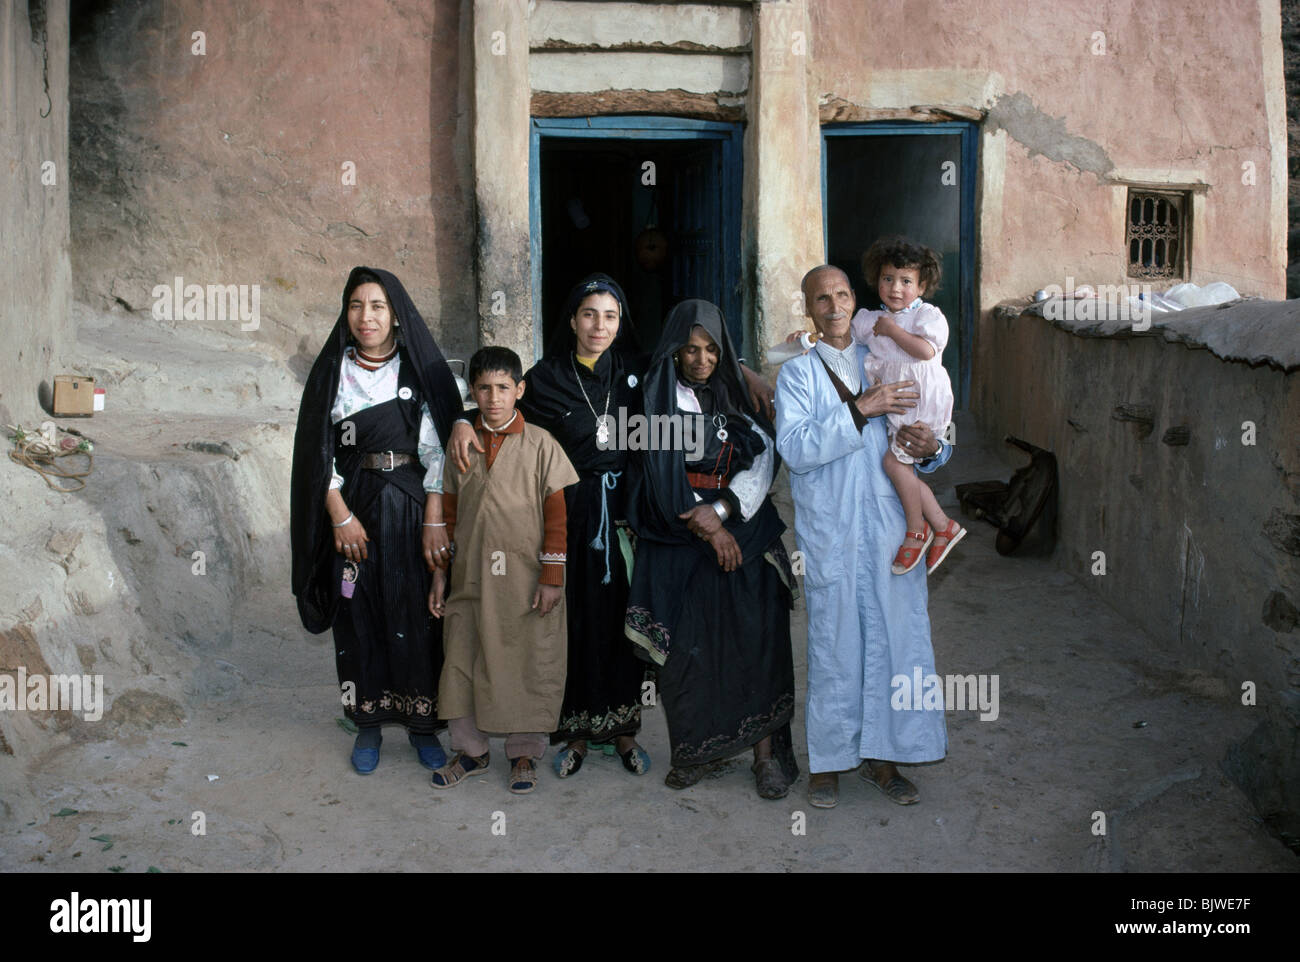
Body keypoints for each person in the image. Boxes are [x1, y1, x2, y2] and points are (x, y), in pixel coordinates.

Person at [775, 264, 952, 809]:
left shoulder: (884, 353)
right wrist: (860, 408)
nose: (833, 307)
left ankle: (884, 757)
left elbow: (937, 431)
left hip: (894, 526)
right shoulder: (798, 375)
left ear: (857, 300)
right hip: (831, 525)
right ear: (809, 309)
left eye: (842, 295)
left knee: (899, 636)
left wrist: (932, 446)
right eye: (821, 299)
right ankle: (829, 763)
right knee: (833, 641)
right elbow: (796, 449)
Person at [290, 266, 476, 775]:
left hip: (413, 507)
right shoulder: (332, 374)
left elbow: (438, 448)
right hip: (354, 511)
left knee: (418, 611)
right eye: (356, 306)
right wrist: (339, 515)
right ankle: (367, 723)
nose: (366, 317)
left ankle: (422, 726)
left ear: (396, 315)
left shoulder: (422, 374)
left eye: (377, 306)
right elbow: (315, 454)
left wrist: (435, 517)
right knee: (358, 612)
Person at [625, 299, 799, 800]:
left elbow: (763, 455)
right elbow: (660, 472)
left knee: (756, 638)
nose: (701, 359)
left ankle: (765, 757)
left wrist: (722, 512)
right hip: (675, 527)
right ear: (674, 352)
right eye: (690, 349)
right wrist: (705, 525)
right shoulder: (655, 398)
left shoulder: (737, 393)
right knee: (687, 648)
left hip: (741, 523)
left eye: (711, 350)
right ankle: (697, 751)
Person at [428, 346, 579, 795]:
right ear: (472, 392)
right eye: (484, 389)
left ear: (520, 390)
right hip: (470, 576)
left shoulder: (541, 444)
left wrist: (552, 577)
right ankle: (470, 751)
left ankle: (525, 753)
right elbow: (449, 516)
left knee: (527, 660)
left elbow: (557, 518)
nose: (493, 398)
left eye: (502, 388)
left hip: (524, 580)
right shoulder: (461, 444)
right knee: (462, 657)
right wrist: (440, 574)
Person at [517, 274, 652, 778]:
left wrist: (748, 376)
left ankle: (623, 730)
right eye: (589, 314)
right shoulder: (546, 379)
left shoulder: (636, 374)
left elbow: (698, 374)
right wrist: (465, 421)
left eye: (611, 316)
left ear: (621, 323)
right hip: (569, 516)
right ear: (572, 320)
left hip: (625, 516)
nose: (600, 326)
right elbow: (502, 415)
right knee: (573, 621)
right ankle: (574, 731)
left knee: (622, 618)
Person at [851, 237, 964, 575]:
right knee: (899, 465)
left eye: (906, 281)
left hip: (922, 398)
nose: (895, 288)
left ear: (922, 286)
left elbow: (926, 351)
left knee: (895, 462)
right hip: (900, 404)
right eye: (888, 279)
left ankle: (918, 531)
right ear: (876, 280)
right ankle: (942, 525)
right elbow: (843, 334)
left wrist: (892, 331)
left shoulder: (926, 316)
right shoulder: (872, 319)